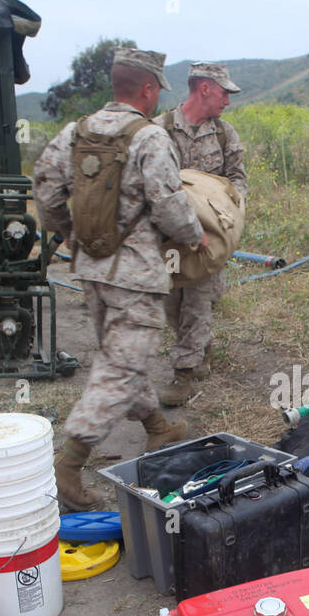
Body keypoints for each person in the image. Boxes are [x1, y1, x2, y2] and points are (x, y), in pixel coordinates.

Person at [34, 48, 208, 510]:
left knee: (121, 356)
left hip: (92, 270)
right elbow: (170, 205)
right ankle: (68, 467)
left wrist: (69, 232)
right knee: (120, 367)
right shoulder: (150, 137)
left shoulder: (76, 131)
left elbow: (45, 187)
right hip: (135, 275)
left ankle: (157, 428)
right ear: (148, 89)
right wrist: (195, 237)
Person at [154, 62, 248, 405]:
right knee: (171, 303)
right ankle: (201, 344)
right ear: (205, 88)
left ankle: (184, 375)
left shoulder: (224, 134)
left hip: (208, 236)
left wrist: (229, 213)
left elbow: (238, 179)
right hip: (168, 236)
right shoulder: (159, 130)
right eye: (224, 92)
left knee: (196, 301)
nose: (227, 100)